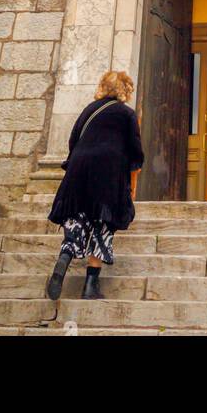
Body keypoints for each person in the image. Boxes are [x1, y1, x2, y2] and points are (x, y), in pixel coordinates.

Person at [46, 69, 144, 301]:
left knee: (77, 217)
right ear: (124, 90)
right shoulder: (126, 114)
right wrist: (135, 165)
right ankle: (90, 284)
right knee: (103, 224)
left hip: (80, 168)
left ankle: (64, 257)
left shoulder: (89, 110)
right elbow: (134, 147)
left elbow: (73, 139)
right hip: (109, 171)